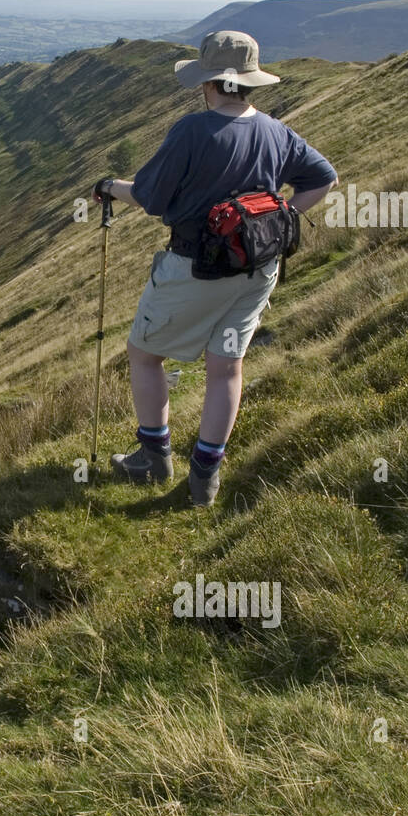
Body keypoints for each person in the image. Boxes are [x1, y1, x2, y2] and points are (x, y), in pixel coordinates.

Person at [94, 30, 338, 507]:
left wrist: (109, 185)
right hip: (257, 267)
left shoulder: (193, 131)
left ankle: (153, 459)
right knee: (225, 369)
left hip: (195, 267)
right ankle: (204, 480)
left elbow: (148, 196)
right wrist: (284, 215)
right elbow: (324, 177)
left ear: (210, 82)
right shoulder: (275, 131)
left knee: (144, 354)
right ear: (248, 83)